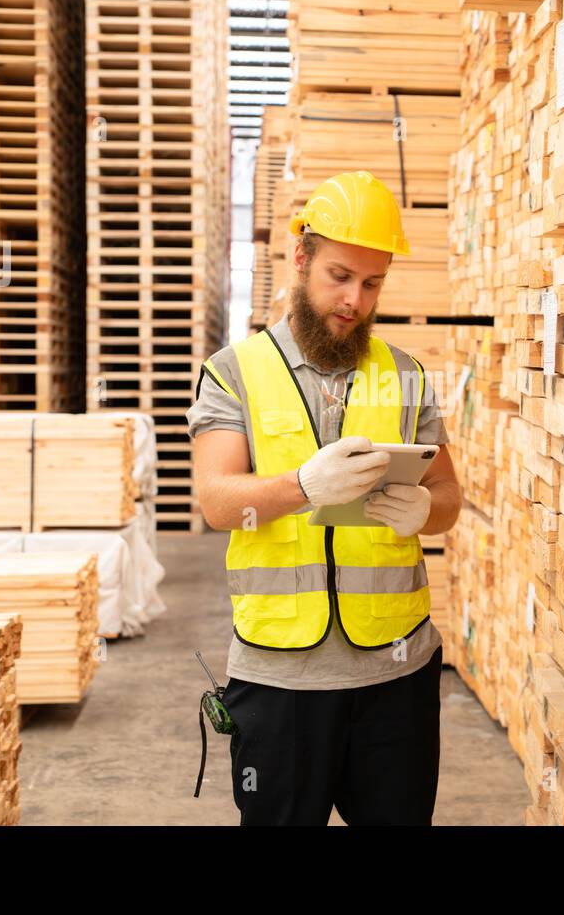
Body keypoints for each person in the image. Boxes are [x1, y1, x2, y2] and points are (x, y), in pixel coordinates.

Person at [186, 170, 463, 825]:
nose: (354, 301)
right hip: (281, 681)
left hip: (396, 675)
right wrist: (300, 487)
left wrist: (429, 510)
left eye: (372, 284)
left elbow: (449, 493)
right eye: (340, 276)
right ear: (302, 258)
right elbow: (217, 500)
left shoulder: (407, 375)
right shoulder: (235, 372)